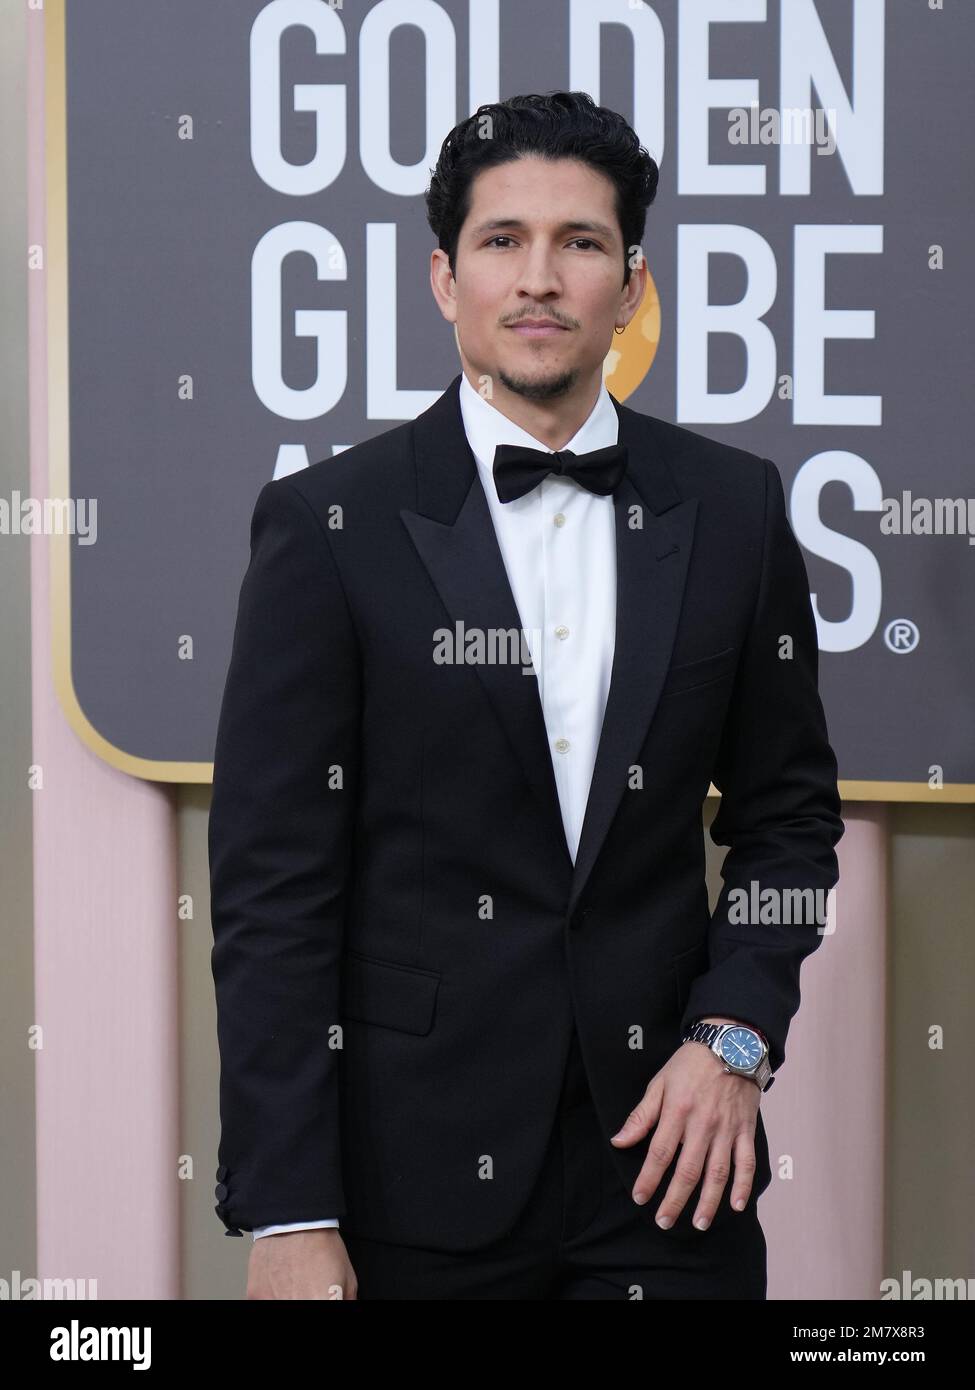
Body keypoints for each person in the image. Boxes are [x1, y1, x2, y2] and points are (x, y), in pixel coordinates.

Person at [208, 91, 844, 1300]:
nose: (539, 279)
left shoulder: (737, 510)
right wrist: (287, 1210)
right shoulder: (328, 527)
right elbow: (272, 894)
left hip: (669, 1171)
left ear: (633, 282)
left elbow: (789, 819)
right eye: (503, 242)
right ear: (445, 280)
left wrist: (736, 1038)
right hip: (405, 1189)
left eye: (581, 243)